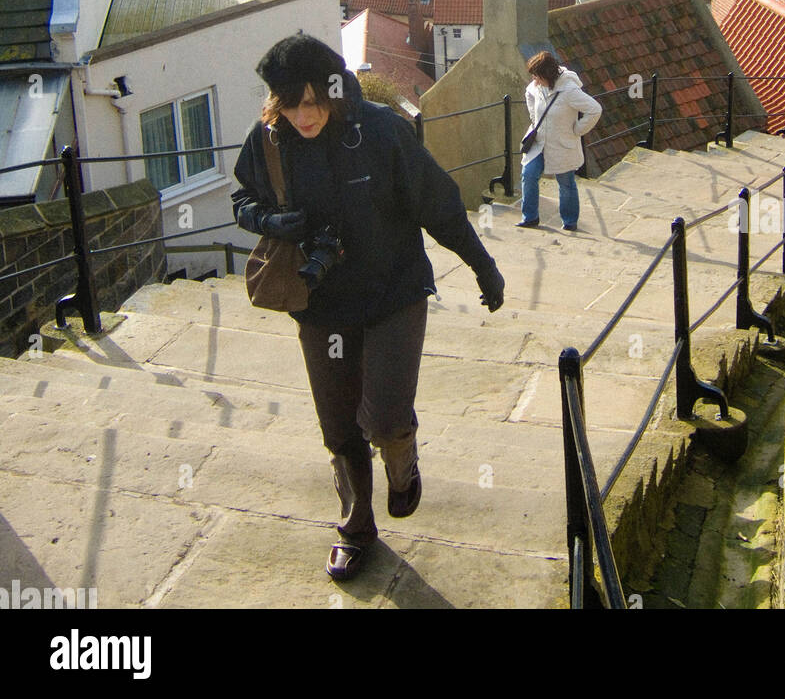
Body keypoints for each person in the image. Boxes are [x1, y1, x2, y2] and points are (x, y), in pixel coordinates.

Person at [231, 33, 505, 583]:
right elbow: (244, 198)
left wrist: (482, 265)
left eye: (314, 100)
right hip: (320, 303)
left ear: (333, 90)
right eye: (290, 102)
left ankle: (402, 466)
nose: (303, 114)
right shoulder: (269, 141)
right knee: (338, 425)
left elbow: (439, 203)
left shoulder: (381, 131)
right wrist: (268, 222)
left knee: (383, 418)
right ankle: (356, 527)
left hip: (393, 293)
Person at [518, 51, 602, 232]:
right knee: (528, 174)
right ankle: (530, 217)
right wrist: (534, 119)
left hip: (562, 145)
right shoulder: (537, 85)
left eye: (537, 76)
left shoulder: (569, 90)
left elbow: (595, 109)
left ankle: (570, 222)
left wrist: (578, 130)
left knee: (565, 183)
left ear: (547, 75)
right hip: (539, 143)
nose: (534, 80)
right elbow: (529, 94)